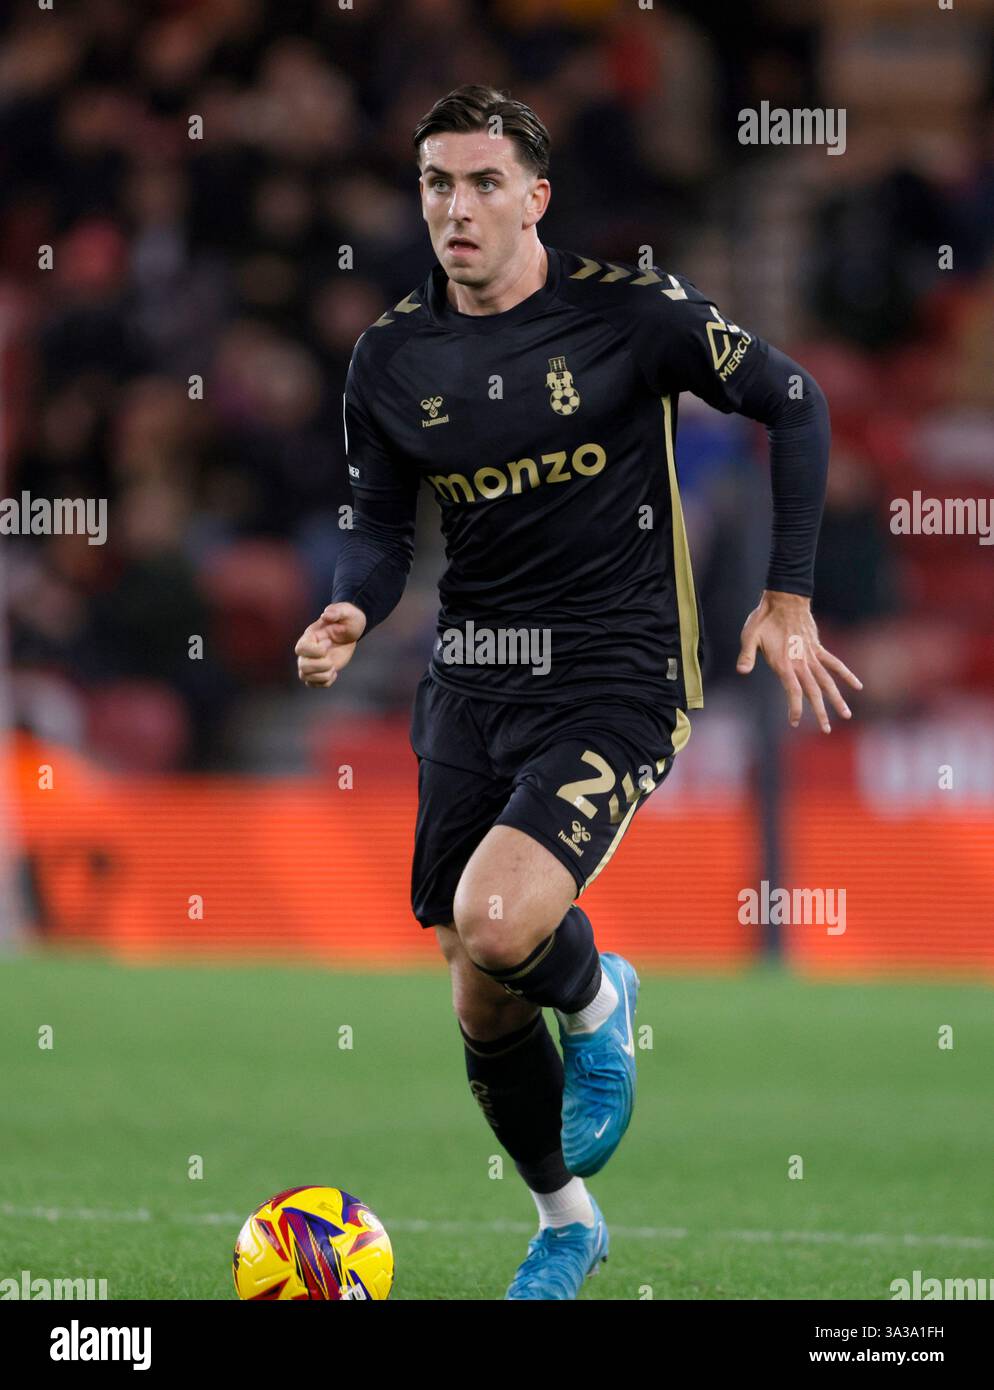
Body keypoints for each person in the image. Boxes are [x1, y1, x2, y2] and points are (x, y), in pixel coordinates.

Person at [294, 84, 861, 1300]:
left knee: (502, 924)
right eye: (438, 182)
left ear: (535, 197)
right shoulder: (393, 356)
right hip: (471, 677)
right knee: (476, 985)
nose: (458, 206)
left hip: (619, 670)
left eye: (485, 182)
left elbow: (793, 399)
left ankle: (601, 995)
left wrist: (790, 592)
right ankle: (568, 1222)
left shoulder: (633, 316)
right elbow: (381, 526)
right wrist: (353, 602)